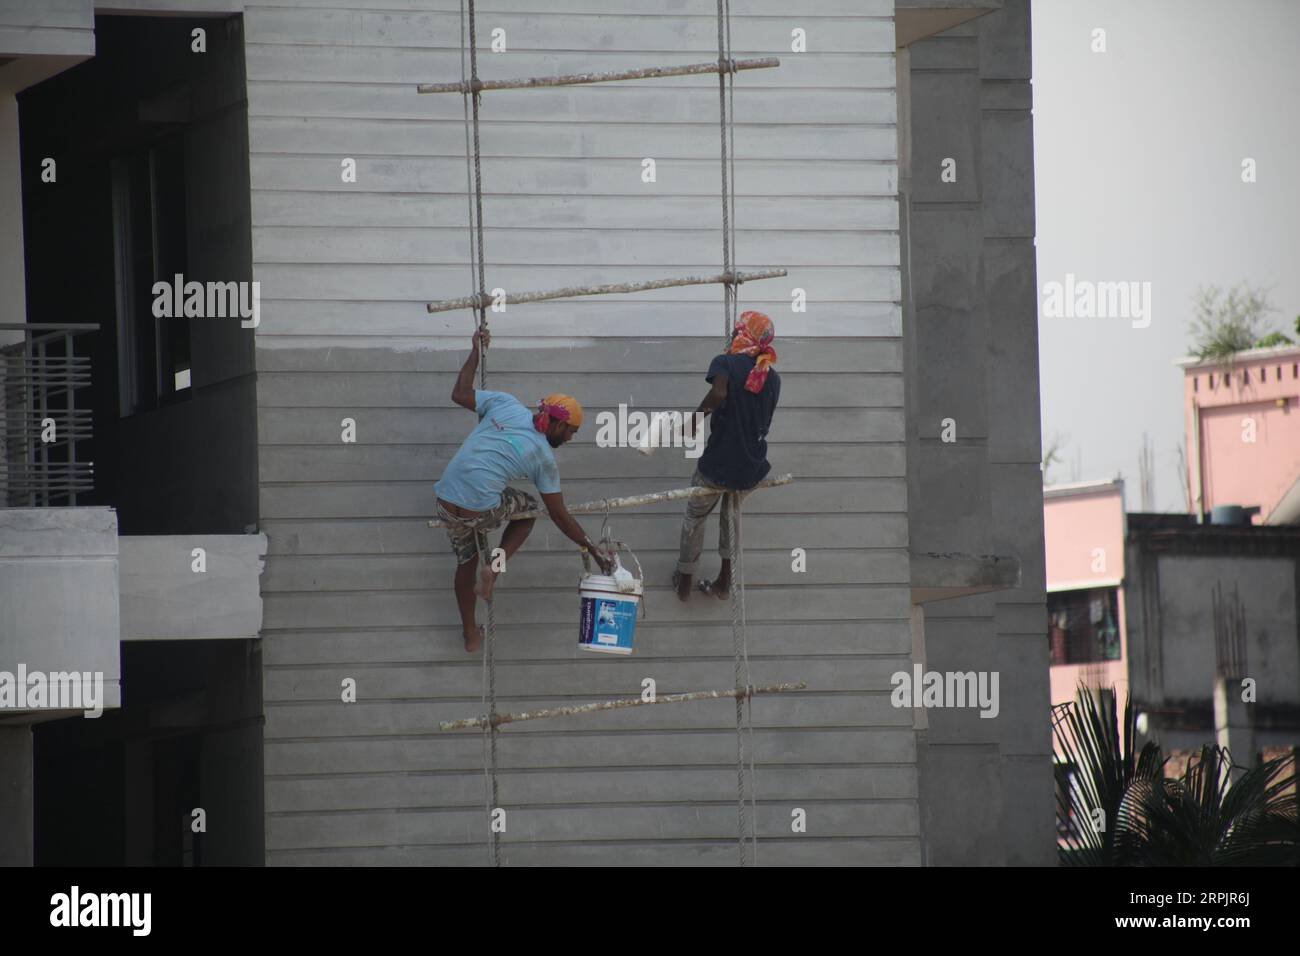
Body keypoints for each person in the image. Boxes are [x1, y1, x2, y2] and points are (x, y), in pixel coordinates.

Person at [435, 330, 614, 652]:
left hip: (446, 502)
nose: (571, 438)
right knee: (529, 509)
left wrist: (475, 350)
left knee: (465, 561)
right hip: (481, 509)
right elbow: (559, 515)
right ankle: (495, 567)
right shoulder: (543, 458)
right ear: (558, 424)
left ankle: (469, 634)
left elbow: (459, 393)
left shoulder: (505, 404)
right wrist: (592, 549)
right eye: (572, 432)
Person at [673, 311, 780, 601]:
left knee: (695, 516)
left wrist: (693, 422)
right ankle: (724, 581)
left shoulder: (726, 363)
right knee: (730, 519)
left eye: (737, 331)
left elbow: (719, 394)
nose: (732, 336)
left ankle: (684, 581)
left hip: (718, 464)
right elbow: (763, 421)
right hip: (751, 467)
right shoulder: (772, 377)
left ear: (745, 334)